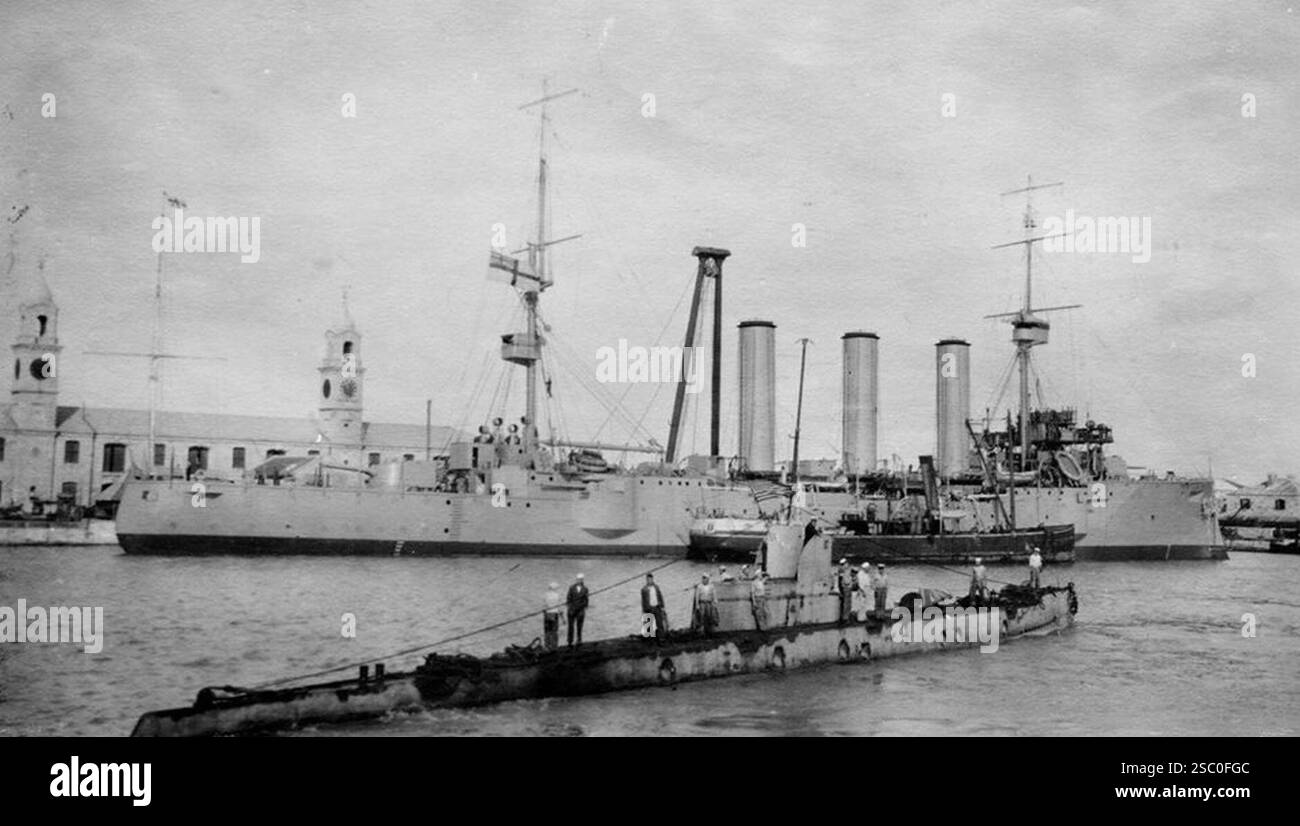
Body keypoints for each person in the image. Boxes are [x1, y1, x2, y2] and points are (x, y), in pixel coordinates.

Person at [640, 573, 668, 641]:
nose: (649, 581)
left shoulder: (656, 587)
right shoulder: (644, 589)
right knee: (648, 625)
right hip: (649, 608)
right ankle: (649, 640)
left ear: (652, 579)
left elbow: (660, 596)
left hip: (657, 607)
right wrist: (644, 610)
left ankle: (661, 639)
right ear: (646, 580)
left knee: (659, 623)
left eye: (651, 579)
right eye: (648, 579)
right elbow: (643, 601)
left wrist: (662, 606)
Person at [566, 574, 589, 647]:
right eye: (578, 579)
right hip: (572, 610)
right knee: (570, 626)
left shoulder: (585, 589)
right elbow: (568, 599)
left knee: (580, 626)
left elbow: (586, 600)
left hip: (580, 610)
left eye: (581, 579)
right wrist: (570, 607)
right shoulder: (571, 588)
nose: (579, 580)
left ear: (583, 580)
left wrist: (583, 607)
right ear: (576, 580)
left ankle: (579, 640)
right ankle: (570, 641)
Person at [543, 582, 564, 650]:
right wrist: (563, 619)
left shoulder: (546, 595)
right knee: (554, 631)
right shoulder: (557, 596)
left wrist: (545, 613)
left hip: (547, 615)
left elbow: (544, 607)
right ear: (555, 588)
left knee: (547, 631)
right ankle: (554, 646)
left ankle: (547, 645)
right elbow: (560, 608)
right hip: (554, 615)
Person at [836, 559, 855, 624]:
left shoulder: (846, 570)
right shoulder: (842, 571)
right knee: (846, 604)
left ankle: (845, 617)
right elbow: (840, 581)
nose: (847, 564)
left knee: (847, 604)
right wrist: (841, 591)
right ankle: (845, 618)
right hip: (845, 589)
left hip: (848, 588)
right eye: (846, 563)